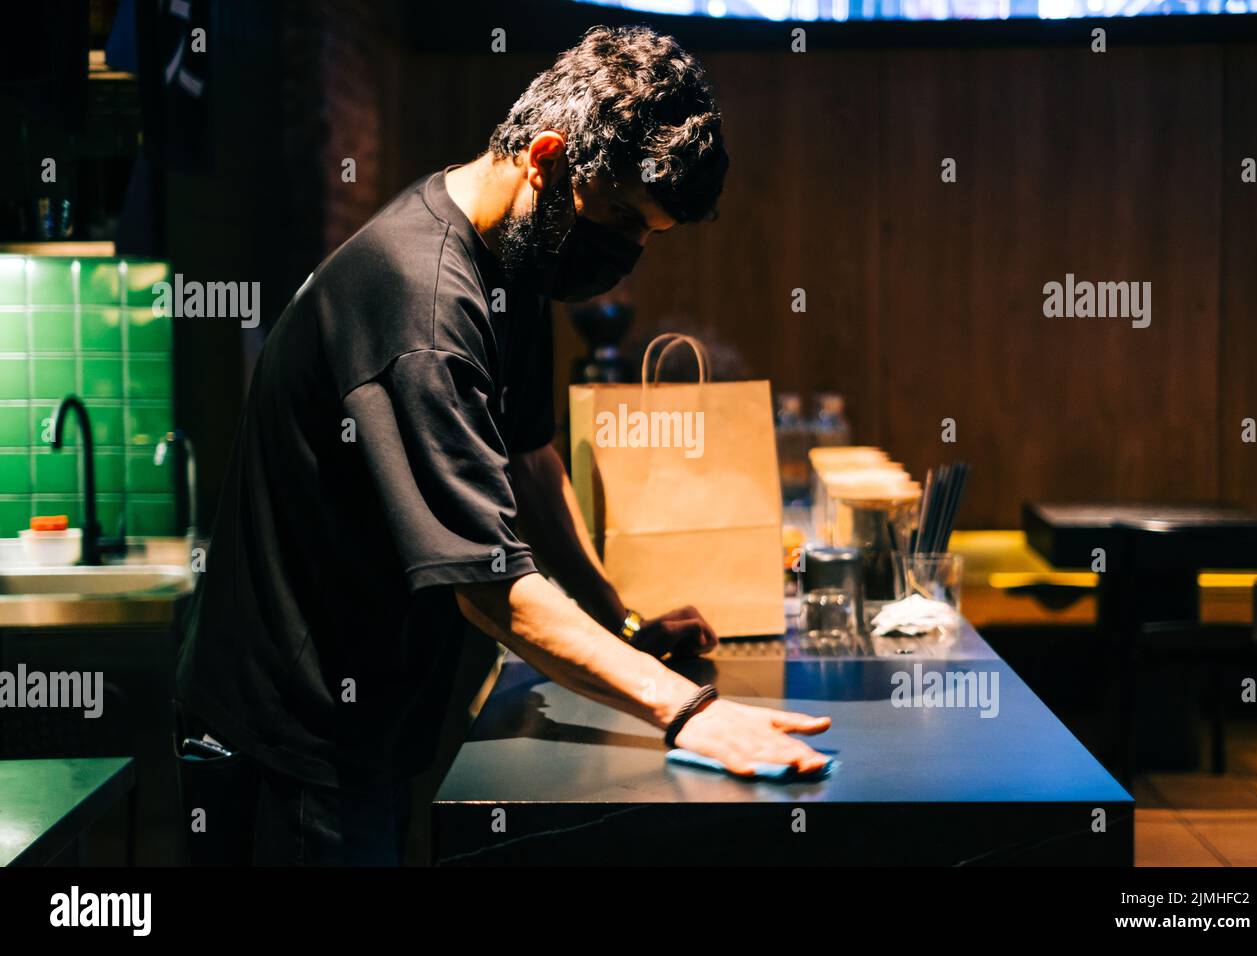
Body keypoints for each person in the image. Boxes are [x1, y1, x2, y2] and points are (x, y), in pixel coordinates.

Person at [175, 24, 830, 866]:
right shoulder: (422, 307)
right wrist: (689, 709)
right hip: (290, 741)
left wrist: (617, 617)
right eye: (621, 219)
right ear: (547, 158)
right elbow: (488, 584)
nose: (624, 255)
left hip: (374, 712)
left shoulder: (513, 257)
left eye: (647, 237)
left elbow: (528, 456)